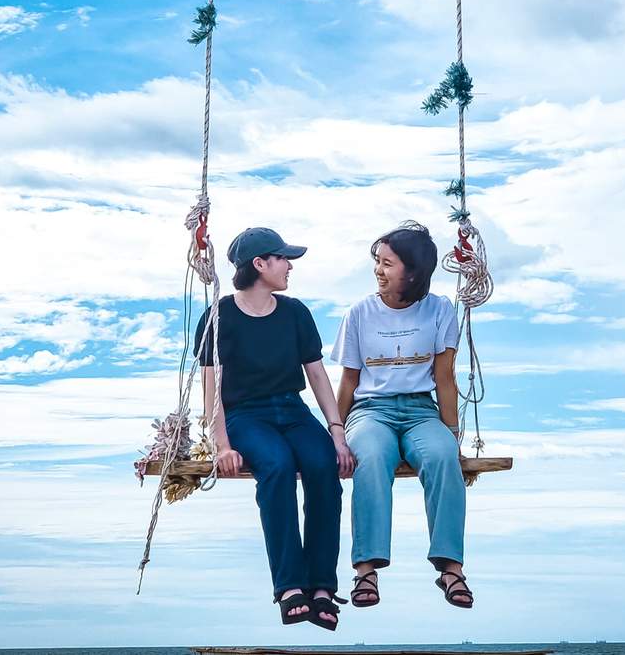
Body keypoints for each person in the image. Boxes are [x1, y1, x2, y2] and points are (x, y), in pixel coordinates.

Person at [196, 227, 356, 629]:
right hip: (245, 415)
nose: (289, 266)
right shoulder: (219, 316)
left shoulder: (296, 311)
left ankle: (321, 586)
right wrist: (221, 445)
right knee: (277, 466)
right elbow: (211, 388)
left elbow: (318, 376)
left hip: (292, 410)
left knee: (323, 465)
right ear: (260, 264)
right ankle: (289, 587)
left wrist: (336, 433)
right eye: (283, 259)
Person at [332, 221, 474, 610]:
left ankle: (450, 567)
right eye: (377, 262)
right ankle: (366, 571)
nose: (378, 270)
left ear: (412, 272)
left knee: (442, 456)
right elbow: (348, 380)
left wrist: (453, 435)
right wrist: (336, 434)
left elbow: (445, 378)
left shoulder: (439, 309)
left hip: (419, 409)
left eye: (387, 263)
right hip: (371, 411)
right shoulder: (360, 313)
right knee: (372, 457)